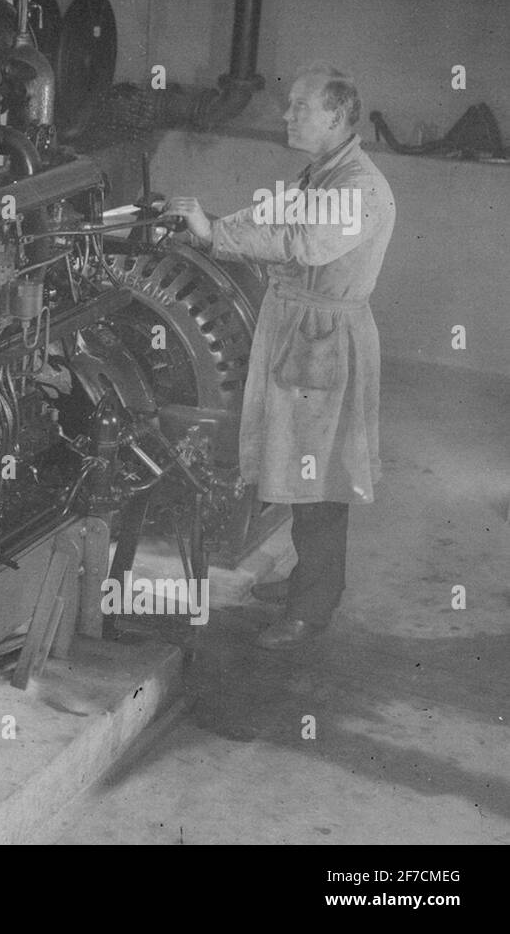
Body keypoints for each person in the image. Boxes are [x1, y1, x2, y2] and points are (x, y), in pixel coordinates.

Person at [165, 64, 395, 649]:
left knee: (319, 480)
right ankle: (307, 584)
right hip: (301, 328)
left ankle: (311, 610)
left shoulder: (358, 188)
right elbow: (274, 216)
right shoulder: (321, 175)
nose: (286, 115)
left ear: (338, 117)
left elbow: (301, 240)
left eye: (300, 107)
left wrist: (216, 233)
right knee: (299, 467)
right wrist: (211, 227)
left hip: (325, 339)